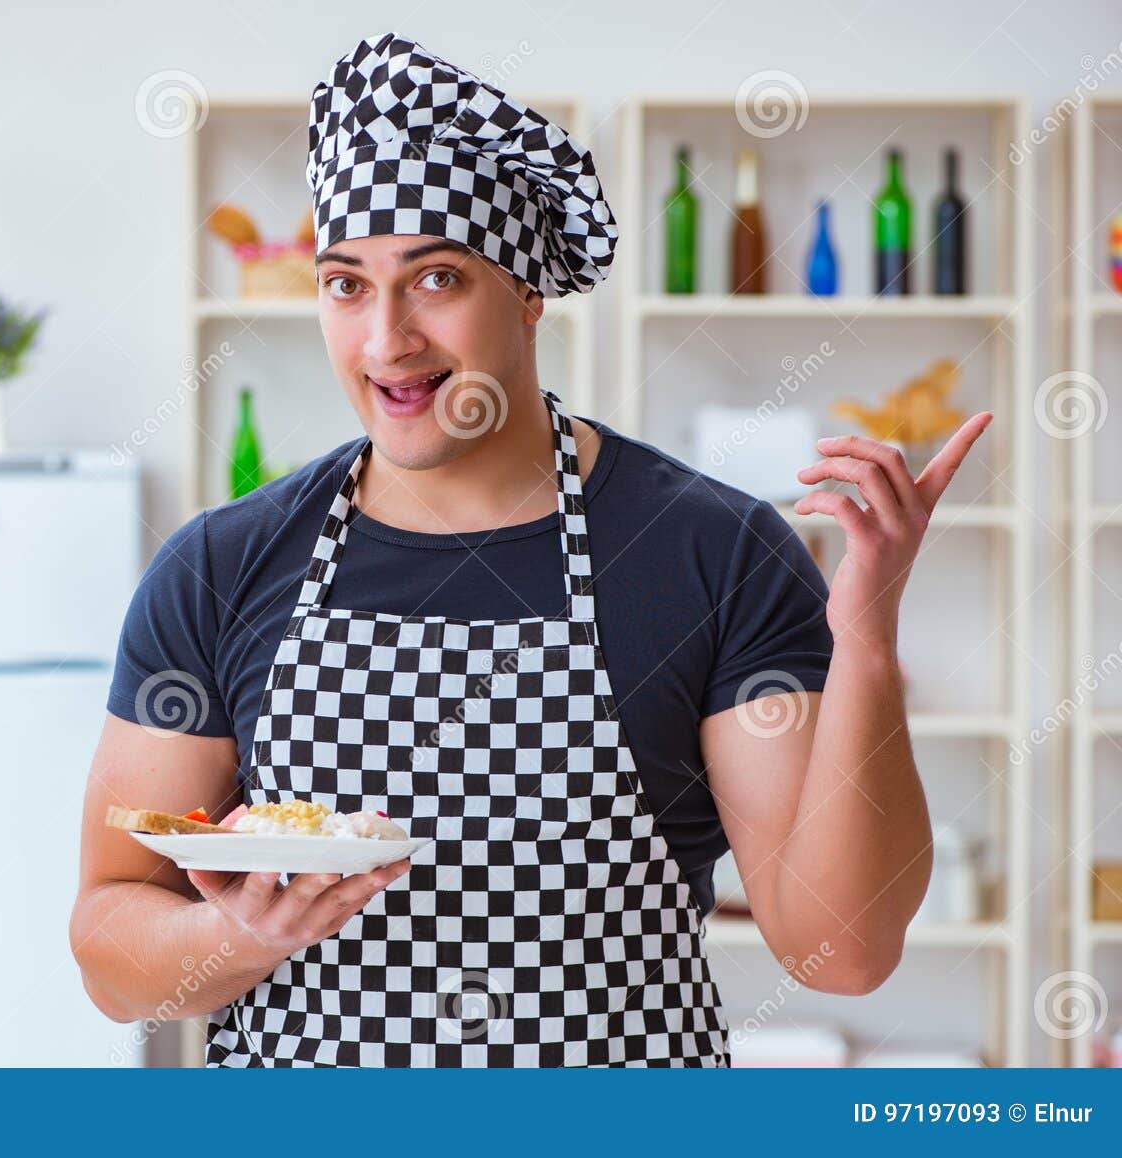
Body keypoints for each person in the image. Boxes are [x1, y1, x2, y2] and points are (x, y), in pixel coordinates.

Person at [71, 32, 991, 1067]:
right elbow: (109, 953)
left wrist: (864, 637)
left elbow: (841, 952)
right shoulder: (219, 567)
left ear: (525, 292)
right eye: (345, 285)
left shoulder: (710, 550)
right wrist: (232, 935)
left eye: (436, 278)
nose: (386, 341)